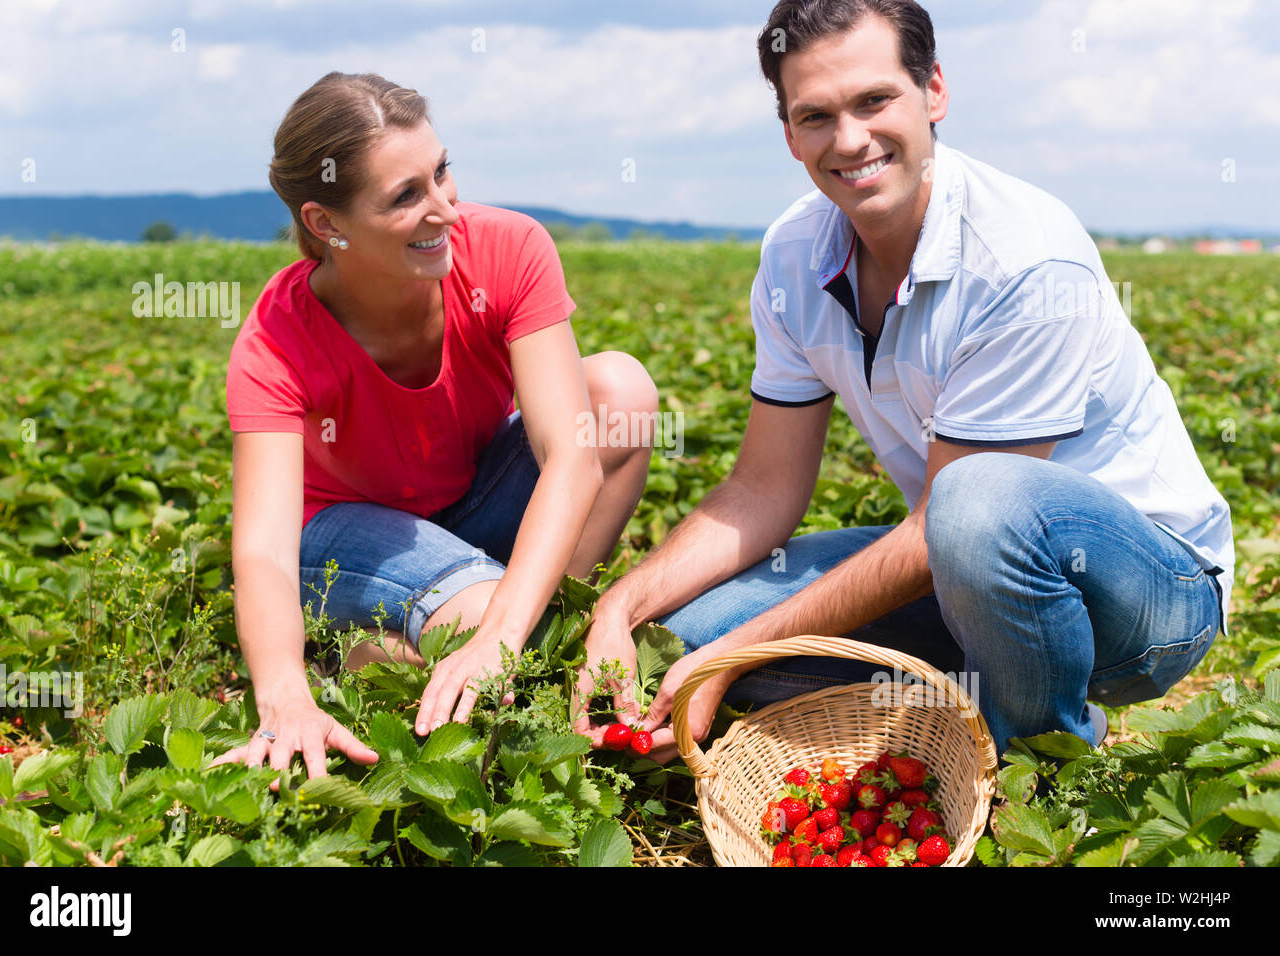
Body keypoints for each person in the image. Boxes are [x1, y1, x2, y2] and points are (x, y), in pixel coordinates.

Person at [573, 0, 1233, 762]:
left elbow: (941, 530)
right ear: (789, 134)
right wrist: (622, 609)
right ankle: (957, 715)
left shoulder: (1023, 258)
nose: (850, 139)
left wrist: (739, 656)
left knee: (975, 503)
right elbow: (762, 488)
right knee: (683, 640)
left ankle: (1051, 761)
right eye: (815, 115)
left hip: (1149, 601)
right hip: (970, 574)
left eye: (874, 100)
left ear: (934, 92)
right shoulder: (795, 255)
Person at [212, 72, 657, 783]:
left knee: (621, 391)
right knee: (491, 621)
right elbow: (264, 550)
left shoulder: (510, 248)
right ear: (327, 224)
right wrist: (283, 697)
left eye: (442, 172)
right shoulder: (275, 343)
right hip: (344, 532)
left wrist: (499, 638)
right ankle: (472, 638)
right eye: (405, 197)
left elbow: (571, 457)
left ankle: (494, 635)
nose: (446, 210)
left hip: (469, 501)